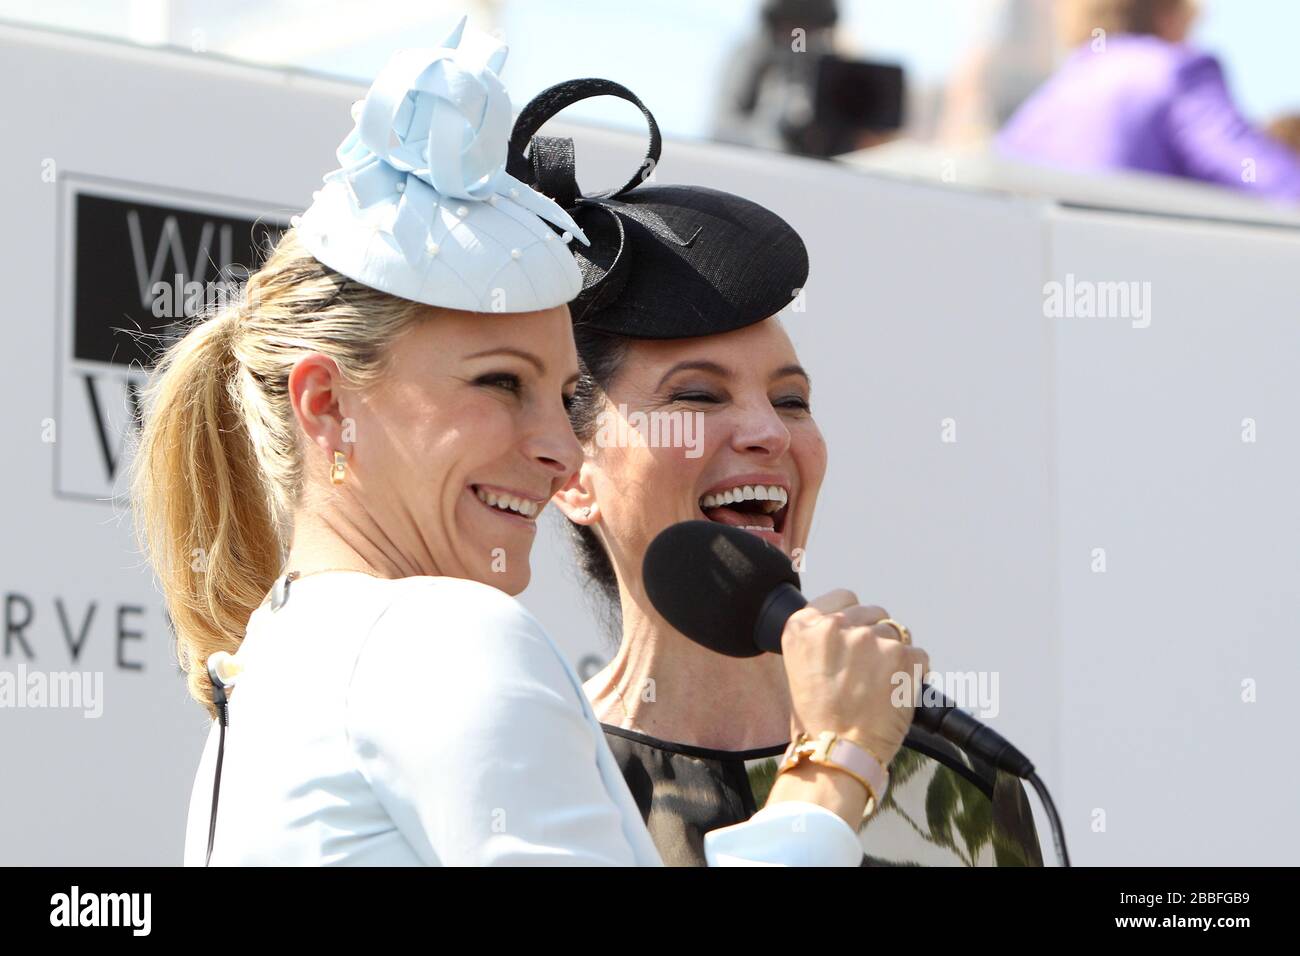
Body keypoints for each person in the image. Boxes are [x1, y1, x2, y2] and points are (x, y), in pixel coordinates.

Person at [130, 21, 929, 866]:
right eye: (500, 383)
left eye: (560, 395)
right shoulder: (443, 637)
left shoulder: (279, 665)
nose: (559, 449)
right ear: (328, 405)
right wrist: (834, 764)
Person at [510, 79, 1043, 866]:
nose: (765, 431)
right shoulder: (537, 784)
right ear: (574, 474)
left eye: (792, 400)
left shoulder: (958, 781)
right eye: (697, 395)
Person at [997, 0, 1300, 201]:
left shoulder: (1038, 108)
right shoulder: (1176, 72)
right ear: (1166, 15)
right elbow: (1269, 182)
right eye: (1189, 23)